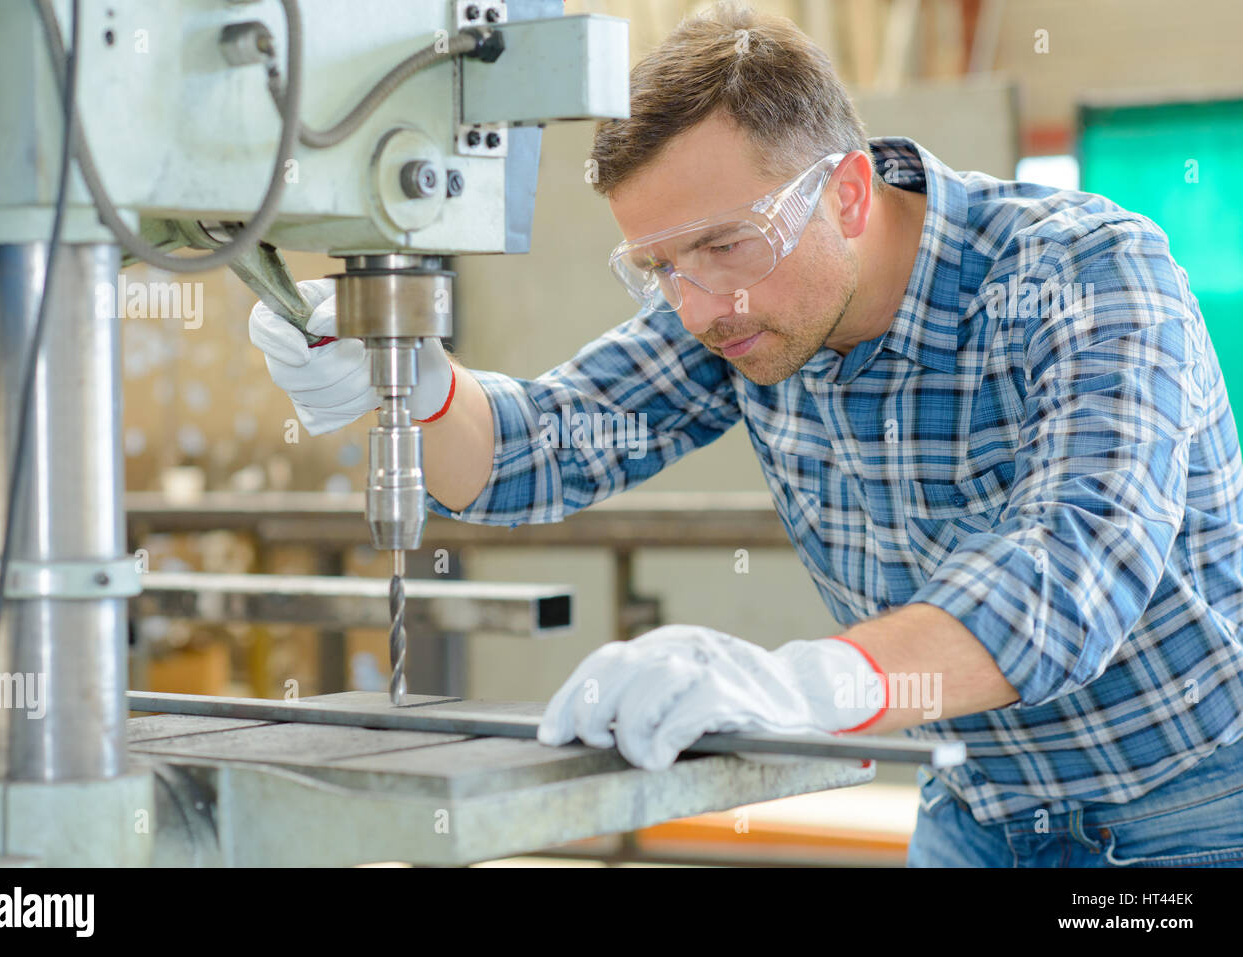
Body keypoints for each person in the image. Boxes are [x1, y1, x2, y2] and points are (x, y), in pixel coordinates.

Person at [249, 4, 1243, 867]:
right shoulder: (735, 302)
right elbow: (532, 451)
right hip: (977, 807)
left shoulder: (1086, 272)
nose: (694, 307)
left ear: (848, 193)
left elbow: (1077, 569)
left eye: (724, 245)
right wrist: (419, 386)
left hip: (1194, 811)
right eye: (658, 267)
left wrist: (798, 684)